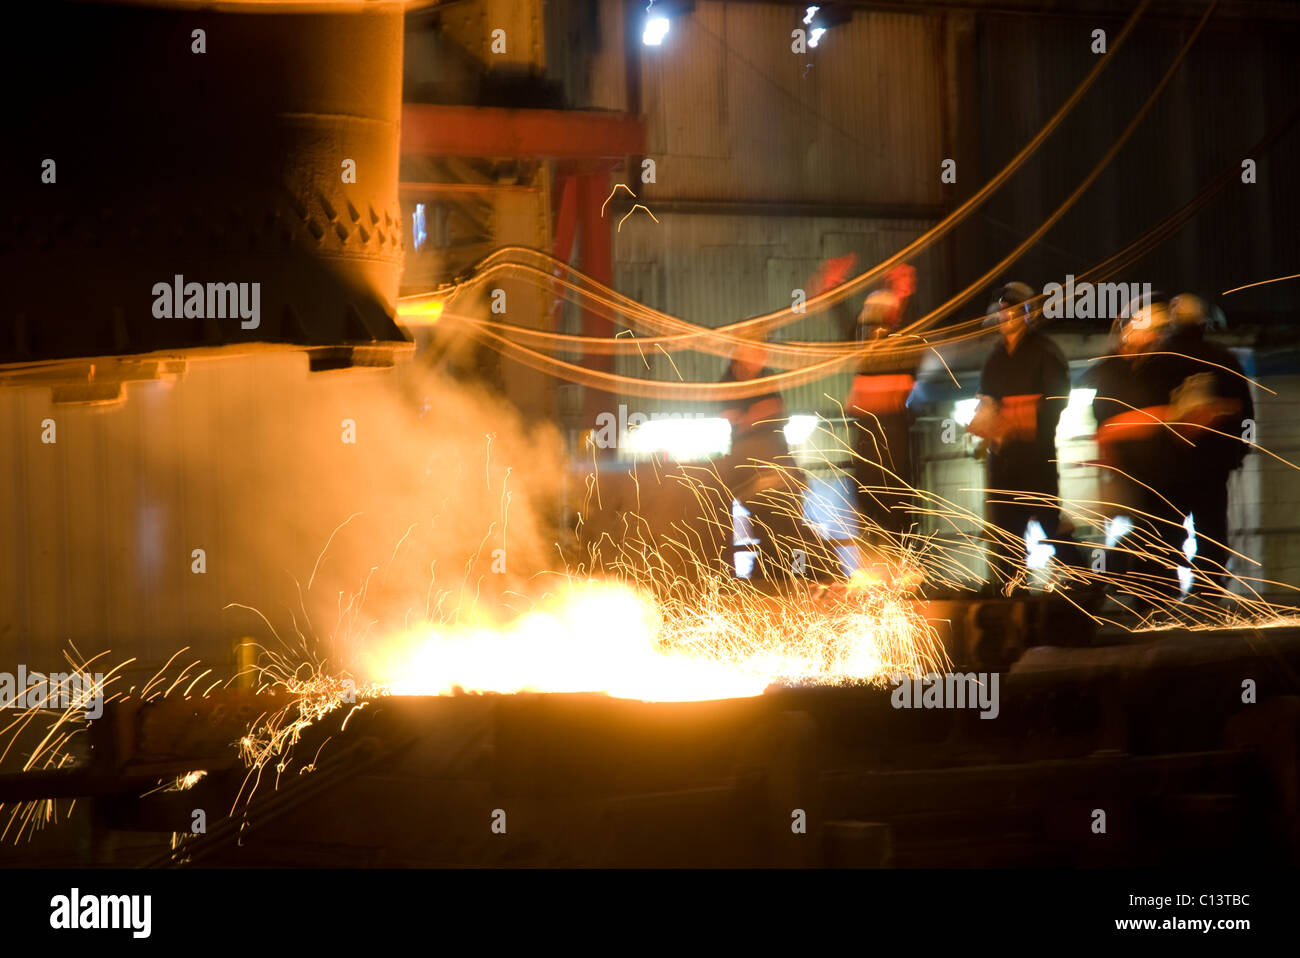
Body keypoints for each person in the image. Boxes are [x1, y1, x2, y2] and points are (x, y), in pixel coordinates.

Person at [1083, 293, 1184, 605]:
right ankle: (1111, 588)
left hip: (1158, 474)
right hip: (1129, 472)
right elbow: (1106, 423)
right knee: (1141, 536)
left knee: (1160, 536)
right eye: (1152, 332)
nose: (1156, 339)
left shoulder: (1159, 368)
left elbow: (1167, 413)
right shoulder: (1113, 372)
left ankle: (1153, 597)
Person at [967, 282, 1070, 585]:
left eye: (1014, 310)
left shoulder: (1044, 351)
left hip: (1035, 457)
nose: (1006, 317)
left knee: (1051, 523)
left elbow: (1056, 399)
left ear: (1028, 314)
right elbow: (986, 401)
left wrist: (1018, 420)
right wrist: (984, 427)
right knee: (1006, 532)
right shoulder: (995, 357)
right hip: (1003, 460)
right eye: (1003, 311)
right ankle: (1011, 590)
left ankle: (1078, 586)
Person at [1162, 294, 1254, 599]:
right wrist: (1241, 451)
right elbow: (1246, 412)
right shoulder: (1224, 358)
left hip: (1171, 465)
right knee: (1212, 530)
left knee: (1167, 530)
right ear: (1203, 322)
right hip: (1213, 465)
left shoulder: (1160, 358)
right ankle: (1209, 594)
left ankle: (1163, 592)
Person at [717, 342, 807, 579]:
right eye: (758, 354)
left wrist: (755, 415)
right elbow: (734, 417)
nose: (763, 359)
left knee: (789, 528)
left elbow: (774, 409)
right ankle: (772, 578)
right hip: (754, 470)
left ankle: (795, 577)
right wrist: (759, 413)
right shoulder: (729, 383)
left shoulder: (765, 378)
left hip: (778, 465)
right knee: (771, 526)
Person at [846, 265, 918, 538]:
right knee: (868, 511)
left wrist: (904, 296)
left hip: (891, 447)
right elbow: (849, 331)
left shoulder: (902, 348)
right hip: (868, 447)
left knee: (895, 513)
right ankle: (876, 572)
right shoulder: (865, 353)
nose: (872, 328)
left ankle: (899, 570)